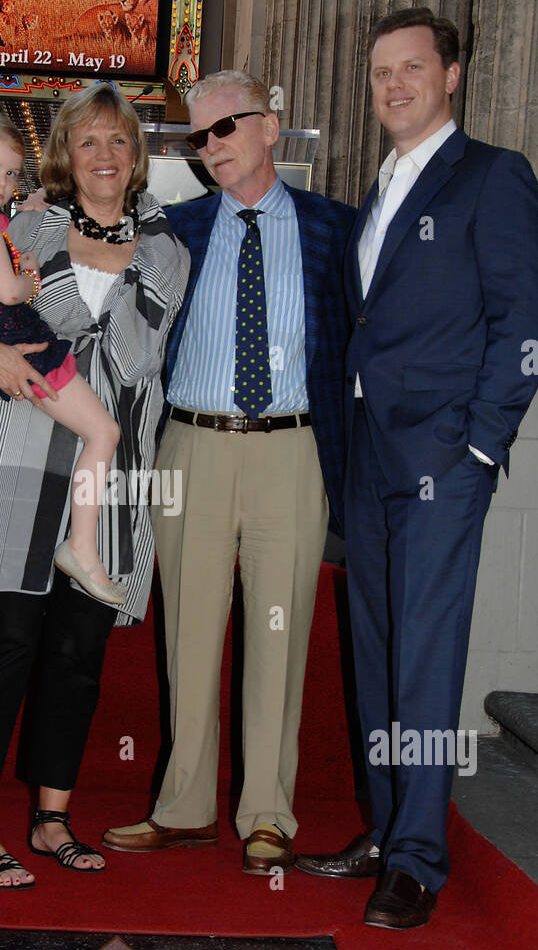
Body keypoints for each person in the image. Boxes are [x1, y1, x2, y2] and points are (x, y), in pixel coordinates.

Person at [295, 8, 538, 928]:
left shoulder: (492, 177)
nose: (392, 84)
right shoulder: (378, 188)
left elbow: (522, 325)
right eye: (378, 72)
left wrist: (481, 443)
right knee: (375, 654)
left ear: (450, 77)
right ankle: (382, 824)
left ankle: (417, 858)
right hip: (369, 458)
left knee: (426, 659)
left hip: (444, 458)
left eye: (410, 68)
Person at [0, 82, 189, 888]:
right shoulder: (17, 223)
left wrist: (33, 324)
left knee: (77, 653)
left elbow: (134, 358)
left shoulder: (166, 251)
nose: (104, 155)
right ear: (65, 156)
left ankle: (50, 818)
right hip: (16, 448)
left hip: (108, 474)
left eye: (117, 141)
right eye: (87, 142)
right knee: (0, 639)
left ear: (135, 155)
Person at [103, 70, 355, 875]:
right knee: (189, 632)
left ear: (270, 127)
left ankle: (266, 815)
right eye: (196, 136)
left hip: (292, 448)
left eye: (224, 128)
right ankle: (181, 808)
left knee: (279, 636)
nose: (208, 146)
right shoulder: (172, 230)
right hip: (192, 447)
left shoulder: (334, 230)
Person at [0, 111, 124, 604]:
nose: (2, 183)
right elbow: (9, 291)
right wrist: (33, 279)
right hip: (30, 351)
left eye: (12, 172)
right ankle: (82, 545)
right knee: (103, 433)